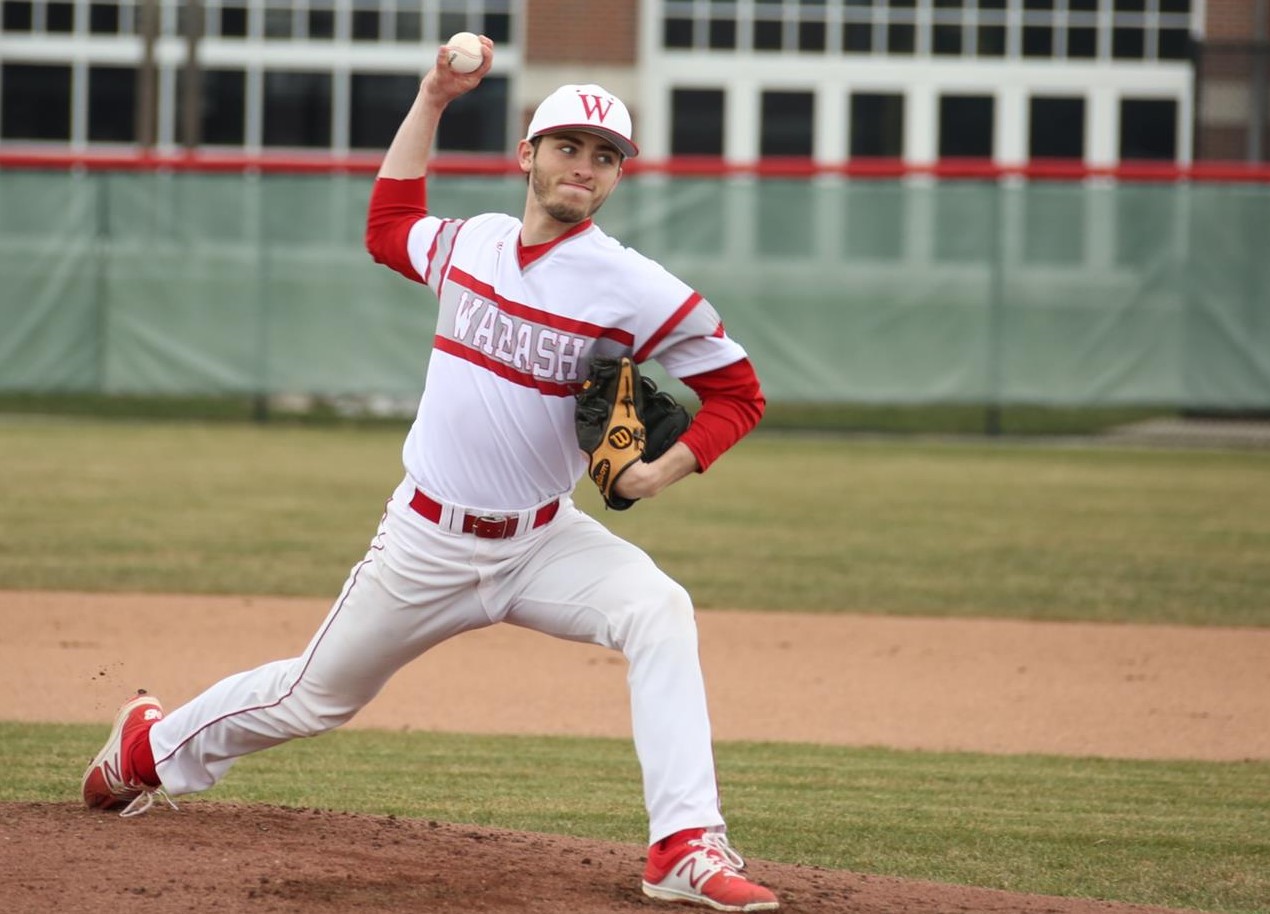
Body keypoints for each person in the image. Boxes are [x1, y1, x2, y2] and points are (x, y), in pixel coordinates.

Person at [81, 36, 779, 913]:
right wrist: (434, 97)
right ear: (527, 154)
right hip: (426, 540)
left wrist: (657, 474)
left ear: (616, 177)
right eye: (568, 146)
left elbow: (739, 393)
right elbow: (385, 228)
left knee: (659, 610)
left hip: (543, 540)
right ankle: (145, 751)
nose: (584, 166)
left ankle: (683, 846)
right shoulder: (471, 244)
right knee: (310, 698)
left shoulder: (637, 288)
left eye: (605, 156)